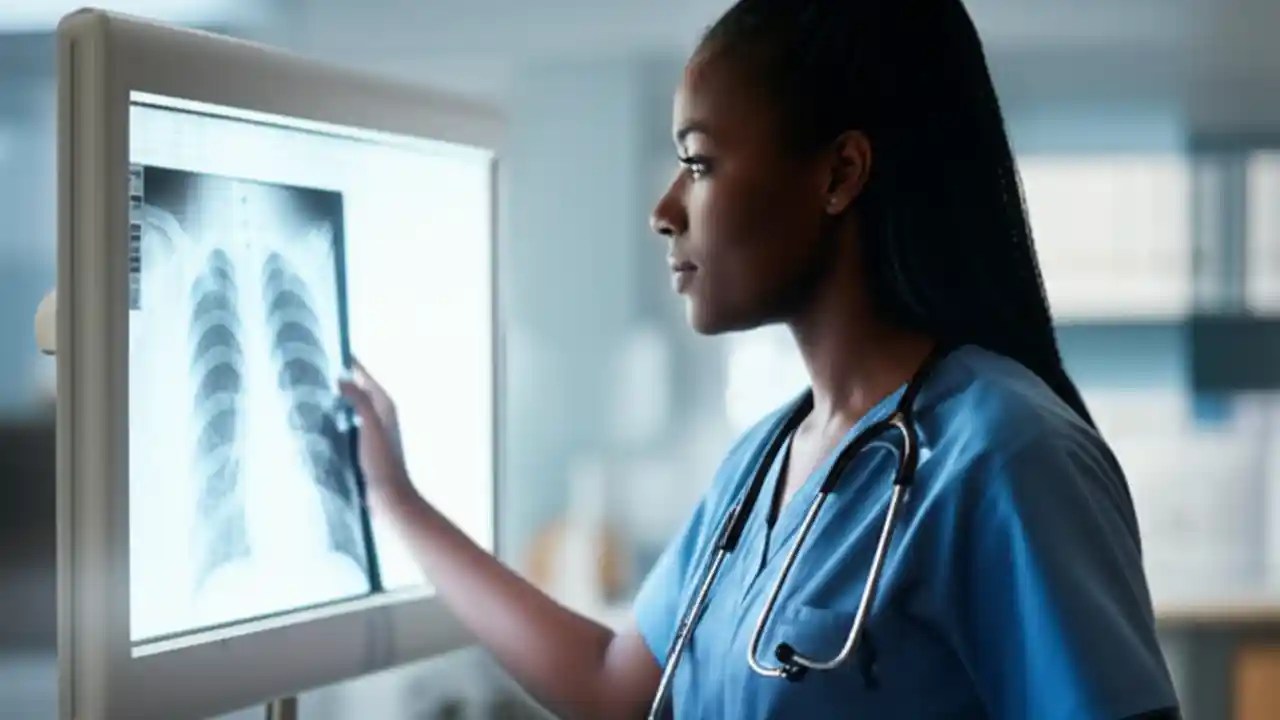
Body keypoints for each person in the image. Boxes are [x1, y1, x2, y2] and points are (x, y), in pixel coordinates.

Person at [339, 0, 1182, 717]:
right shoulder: (761, 465)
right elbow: (613, 686)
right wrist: (397, 502)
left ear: (840, 174)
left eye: (698, 163)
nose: (665, 210)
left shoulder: (1005, 456)